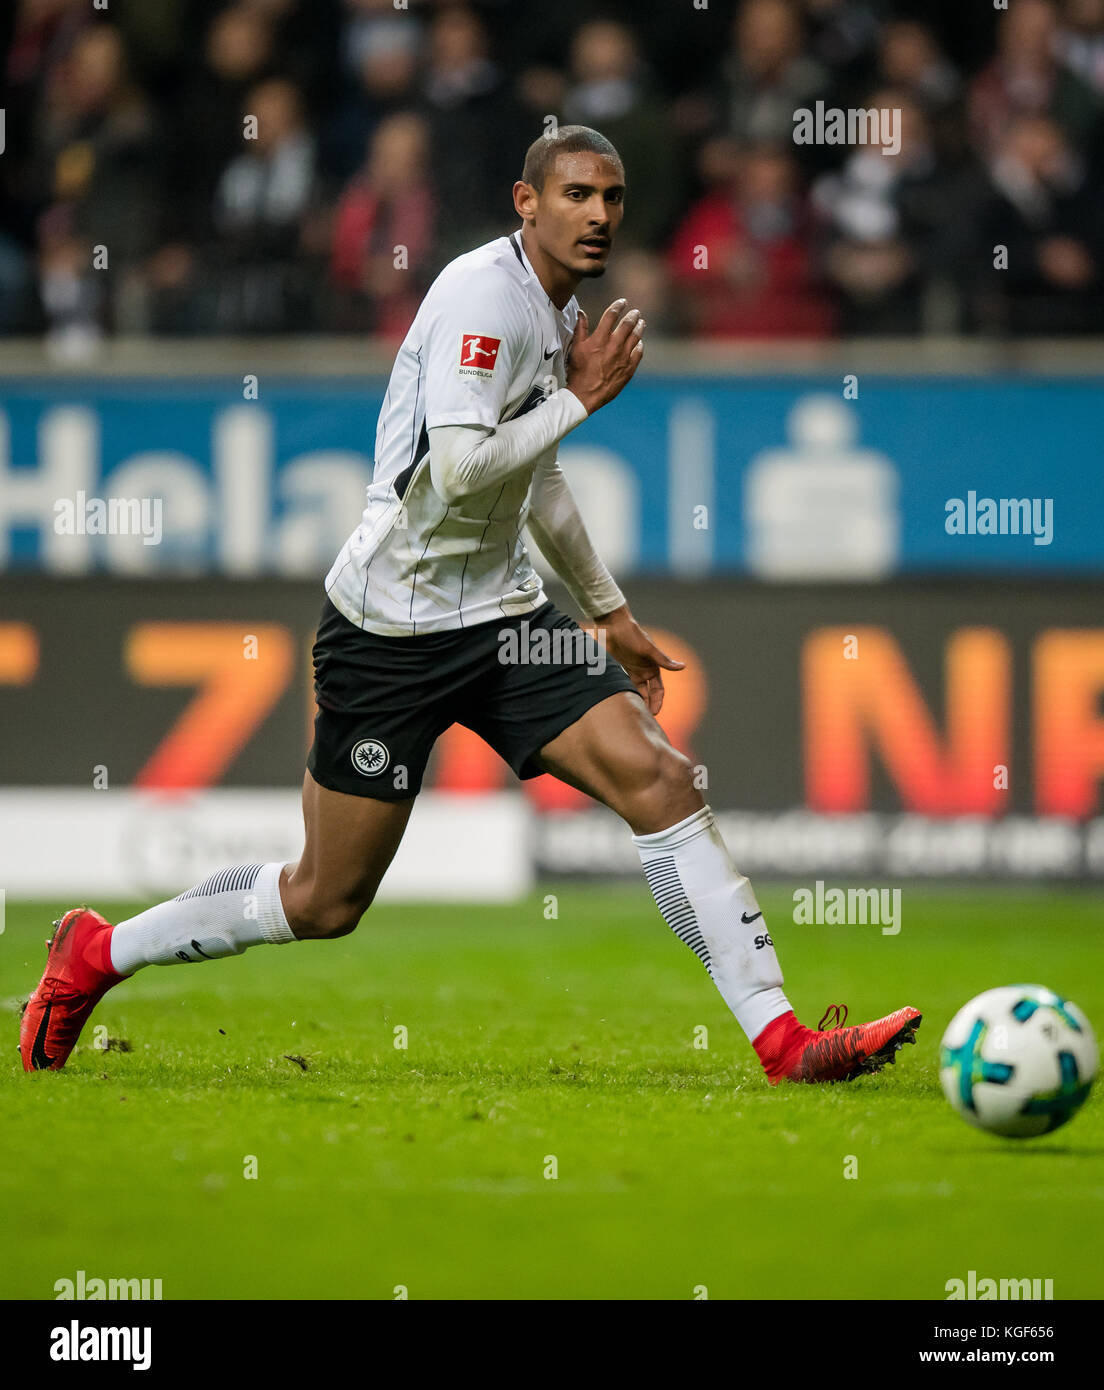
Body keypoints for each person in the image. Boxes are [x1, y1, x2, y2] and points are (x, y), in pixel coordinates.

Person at [20, 125, 920, 1086]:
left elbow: (535, 480)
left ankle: (785, 1045)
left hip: (503, 622)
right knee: (325, 900)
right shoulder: (482, 297)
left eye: (612, 198)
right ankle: (96, 954)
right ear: (526, 202)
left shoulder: (554, 309)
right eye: (577, 194)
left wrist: (607, 610)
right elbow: (456, 472)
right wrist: (578, 400)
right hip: (389, 629)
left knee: (662, 783)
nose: (599, 215)